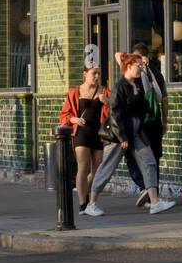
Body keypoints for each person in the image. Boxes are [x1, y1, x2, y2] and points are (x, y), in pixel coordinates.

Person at [84, 53, 175, 216]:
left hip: (136, 131)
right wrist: (123, 137)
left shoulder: (137, 84)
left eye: (141, 65)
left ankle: (155, 202)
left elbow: (142, 107)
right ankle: (91, 203)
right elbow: (115, 114)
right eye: (138, 65)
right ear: (128, 67)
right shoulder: (120, 86)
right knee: (107, 166)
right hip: (121, 133)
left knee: (149, 161)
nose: (141, 67)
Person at [60, 65, 110, 213]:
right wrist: (74, 119)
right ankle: (83, 203)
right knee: (83, 167)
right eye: (94, 73)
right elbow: (64, 114)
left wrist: (106, 101)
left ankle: (88, 196)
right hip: (81, 133)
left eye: (99, 74)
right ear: (85, 74)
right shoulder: (75, 91)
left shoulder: (104, 91)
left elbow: (115, 109)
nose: (97, 76)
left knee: (98, 170)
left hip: (98, 134)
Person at [123, 43, 168, 208]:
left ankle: (146, 189)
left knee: (134, 156)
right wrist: (165, 120)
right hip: (154, 122)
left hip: (139, 123)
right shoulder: (157, 74)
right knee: (153, 158)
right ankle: (152, 195)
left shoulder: (135, 74)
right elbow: (164, 99)